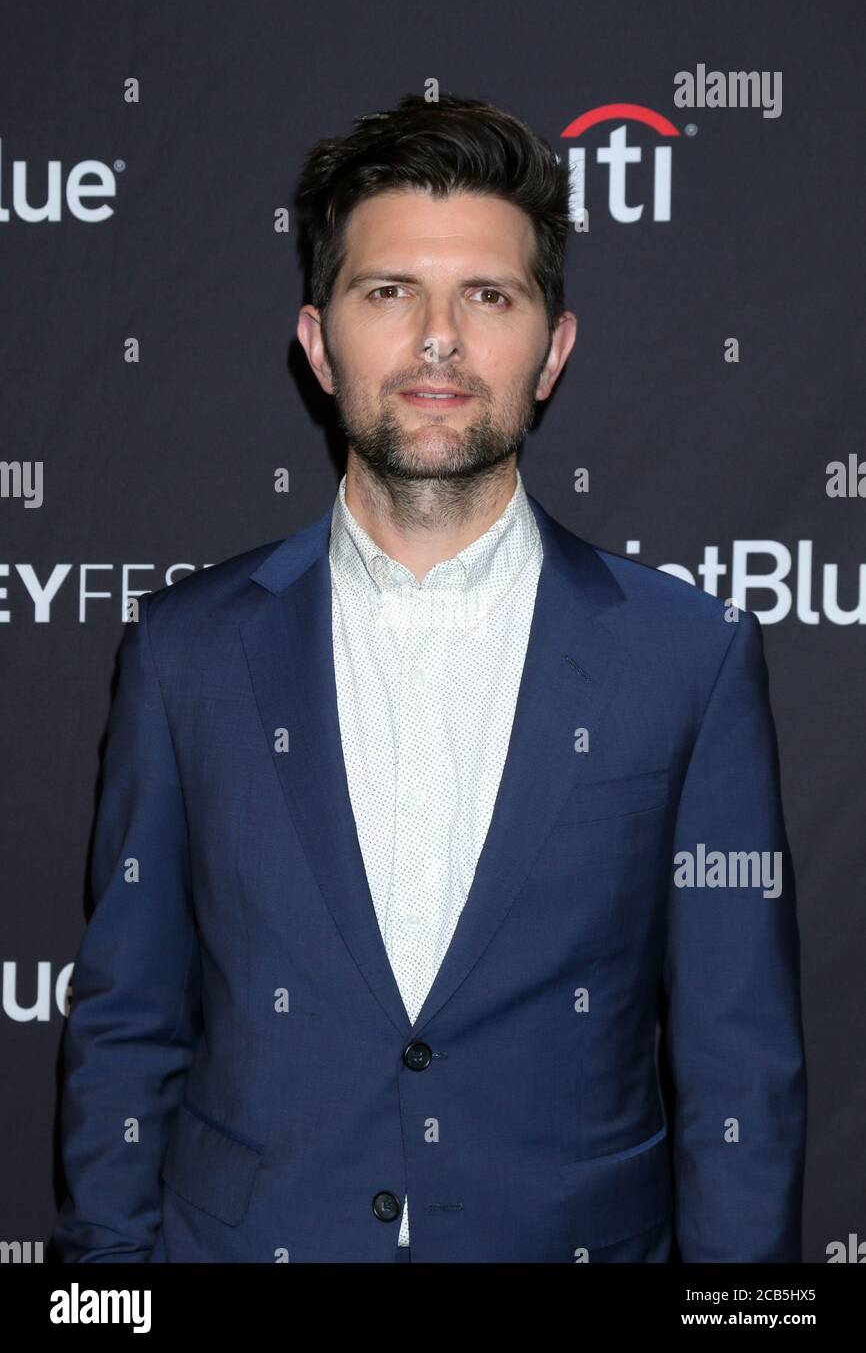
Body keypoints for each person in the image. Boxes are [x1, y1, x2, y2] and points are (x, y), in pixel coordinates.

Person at [53, 93, 806, 1263]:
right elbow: (125, 1031)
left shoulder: (684, 653)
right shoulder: (185, 650)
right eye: (389, 292)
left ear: (551, 349)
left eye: (487, 297)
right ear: (317, 341)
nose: (438, 339)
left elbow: (738, 1070)